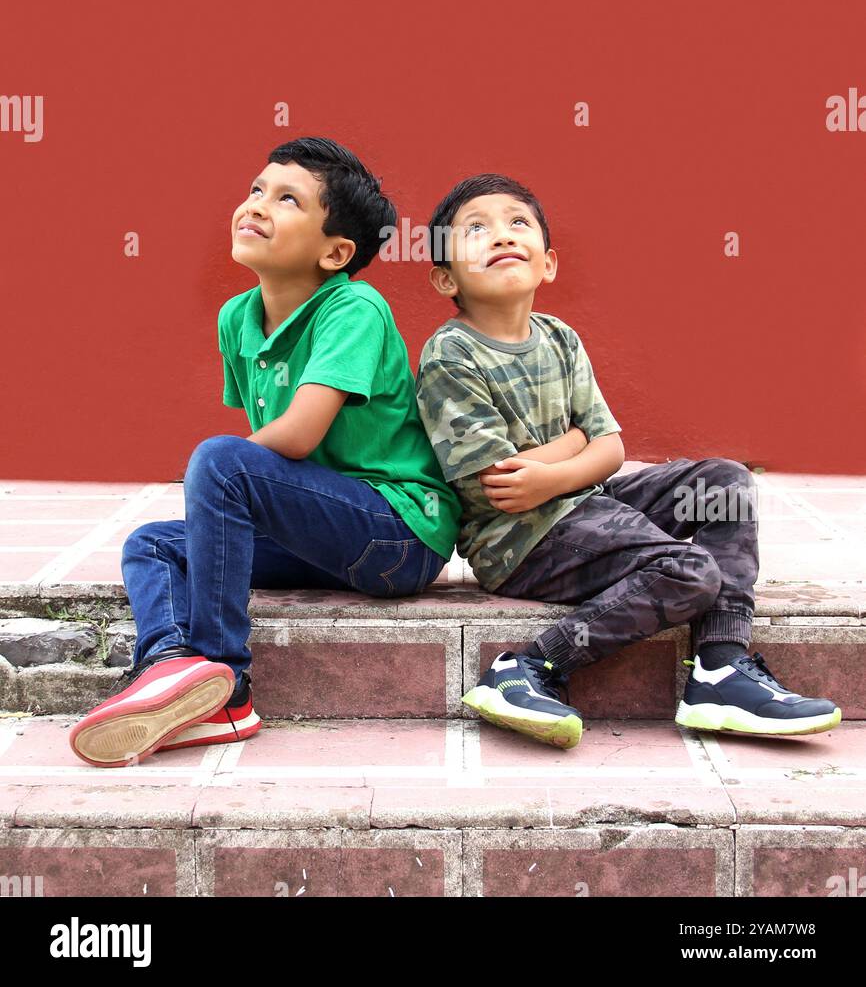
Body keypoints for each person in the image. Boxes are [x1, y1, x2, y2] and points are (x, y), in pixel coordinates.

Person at [414, 172, 842, 750]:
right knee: (688, 570)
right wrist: (573, 445)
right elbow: (501, 488)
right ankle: (527, 668)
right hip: (519, 542)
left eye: (519, 223)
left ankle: (718, 668)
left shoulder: (560, 338)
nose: (502, 235)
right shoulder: (451, 352)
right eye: (475, 229)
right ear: (444, 275)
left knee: (727, 484)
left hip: (581, 504)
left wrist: (563, 465)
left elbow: (611, 448)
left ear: (549, 263)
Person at [69, 137, 461, 767]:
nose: (256, 205)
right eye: (256, 190)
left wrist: (218, 478)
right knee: (152, 543)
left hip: (397, 536)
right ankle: (173, 668)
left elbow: (298, 435)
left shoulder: (353, 306)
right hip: (321, 533)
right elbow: (270, 465)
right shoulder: (237, 317)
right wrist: (221, 487)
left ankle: (227, 681)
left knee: (221, 461)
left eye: (286, 199)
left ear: (336, 252)